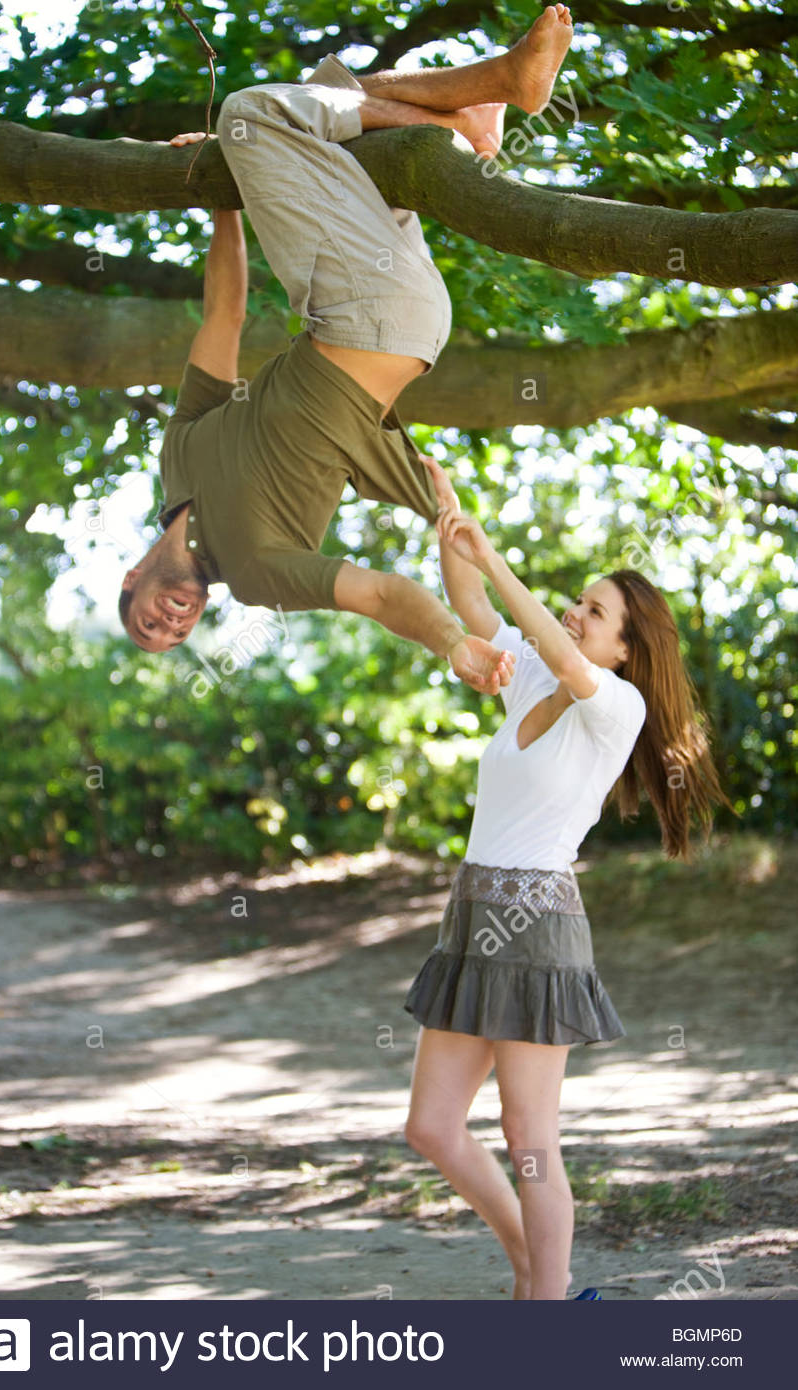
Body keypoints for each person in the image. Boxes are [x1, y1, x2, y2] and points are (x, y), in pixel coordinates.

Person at [117, 7, 578, 694]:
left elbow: (224, 315)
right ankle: (460, 123)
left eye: (148, 623)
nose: (171, 626)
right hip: (368, 317)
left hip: (361, 299)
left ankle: (487, 99)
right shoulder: (255, 575)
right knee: (250, 116)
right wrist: (453, 643)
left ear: (131, 580)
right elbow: (384, 596)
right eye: (176, 637)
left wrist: (221, 198)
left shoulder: (176, 456)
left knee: (330, 96)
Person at [403, 458, 736, 1300]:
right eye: (580, 601)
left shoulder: (612, 708)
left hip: (538, 928)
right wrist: (449, 520)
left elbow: (529, 619)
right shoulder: (536, 676)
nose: (577, 615)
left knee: (528, 1138)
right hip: (473, 917)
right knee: (433, 1127)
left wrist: (496, 557)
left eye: (596, 611)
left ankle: (547, 1313)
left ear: (625, 648)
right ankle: (536, 1266)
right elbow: (472, 608)